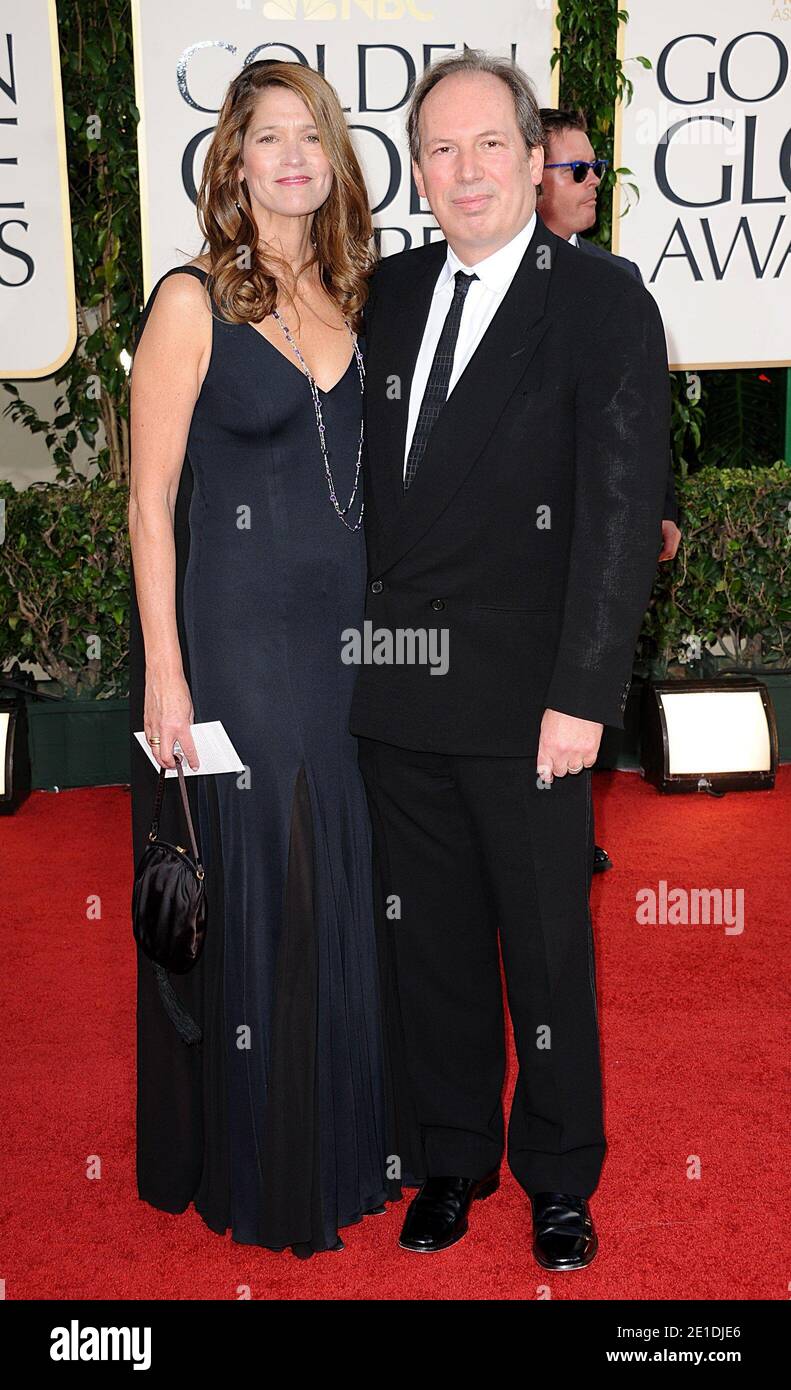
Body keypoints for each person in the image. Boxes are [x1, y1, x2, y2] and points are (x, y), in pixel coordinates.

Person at [350, 50, 670, 1270]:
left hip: (531, 704)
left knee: (543, 951)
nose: (465, 169)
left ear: (536, 160)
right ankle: (448, 1158)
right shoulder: (382, 292)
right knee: (423, 941)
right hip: (395, 686)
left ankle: (555, 1174)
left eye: (491, 144)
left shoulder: (597, 299)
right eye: (440, 148)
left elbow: (615, 512)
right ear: (416, 170)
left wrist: (584, 697)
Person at [128, 59, 399, 1259]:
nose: (292, 157)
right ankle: (263, 1164)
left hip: (348, 654)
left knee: (340, 875)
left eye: (311, 136)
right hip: (237, 652)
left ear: (334, 158)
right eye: (267, 137)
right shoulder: (191, 300)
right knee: (268, 880)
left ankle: (338, 1144)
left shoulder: (358, 295)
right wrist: (166, 672)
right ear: (232, 161)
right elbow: (146, 504)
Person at [538, 105, 682, 873]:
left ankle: (568, 834)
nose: (596, 183)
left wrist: (661, 506)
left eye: (597, 168)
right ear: (534, 179)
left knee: (581, 680)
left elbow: (643, 423)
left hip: (595, 533)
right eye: (579, 170)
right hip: (519, 544)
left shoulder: (616, 282)